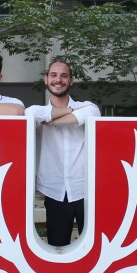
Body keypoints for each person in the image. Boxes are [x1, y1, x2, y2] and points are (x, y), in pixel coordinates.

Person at [23, 59, 99, 247]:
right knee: (58, 247)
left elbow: (91, 113)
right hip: (54, 190)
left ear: (71, 81)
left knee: (92, 249)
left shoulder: (88, 107)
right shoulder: (36, 110)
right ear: (46, 79)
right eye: (54, 75)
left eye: (64, 76)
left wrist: (49, 120)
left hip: (86, 190)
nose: (59, 80)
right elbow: (29, 115)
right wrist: (71, 113)